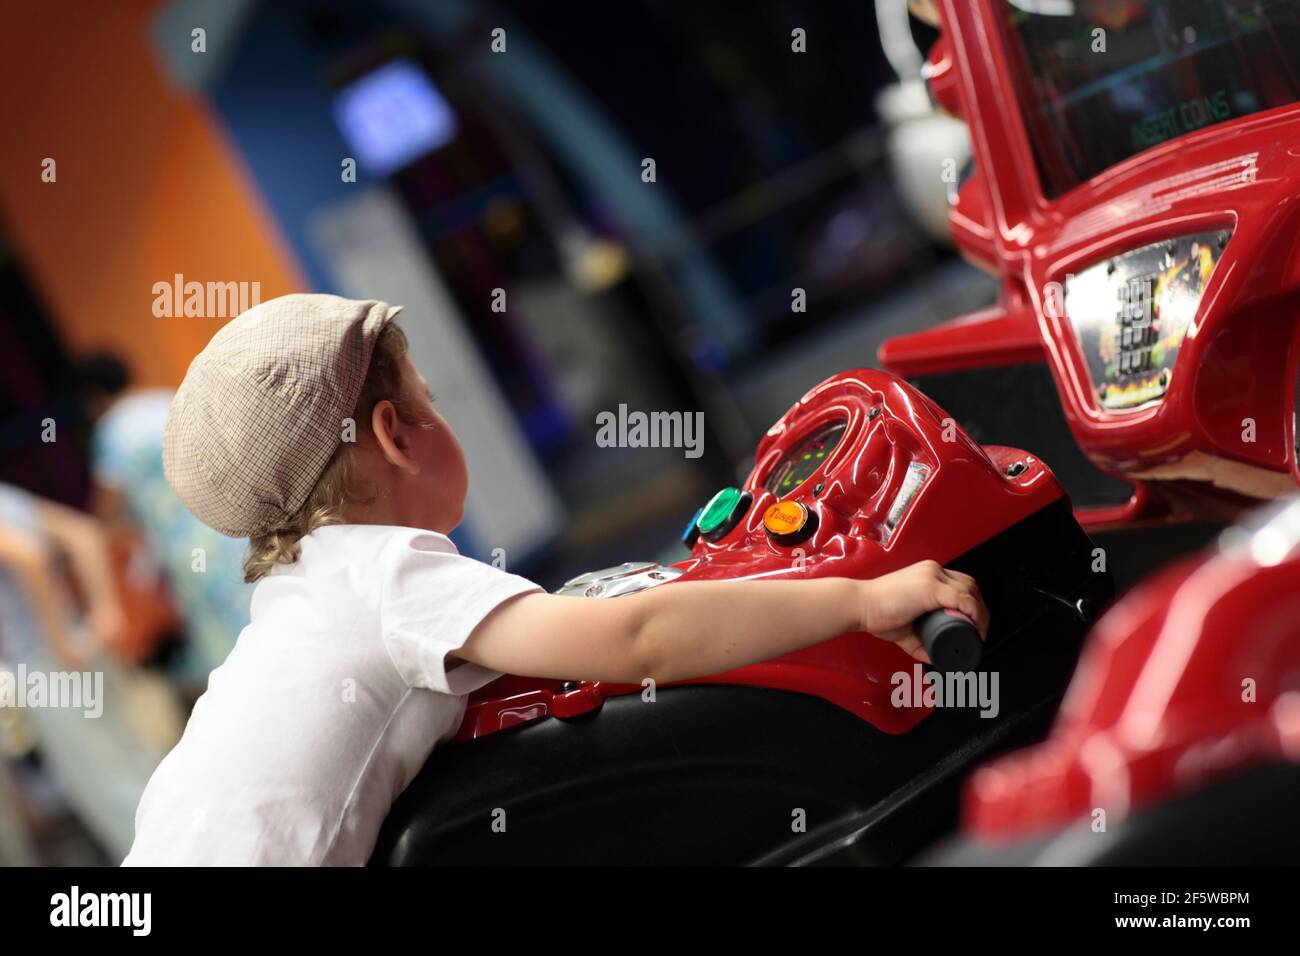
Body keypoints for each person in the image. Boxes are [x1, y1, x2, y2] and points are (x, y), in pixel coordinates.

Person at [124, 294, 987, 866]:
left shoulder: (295, 595)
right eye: (432, 398)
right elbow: (634, 640)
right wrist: (863, 598)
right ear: (395, 435)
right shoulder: (388, 573)